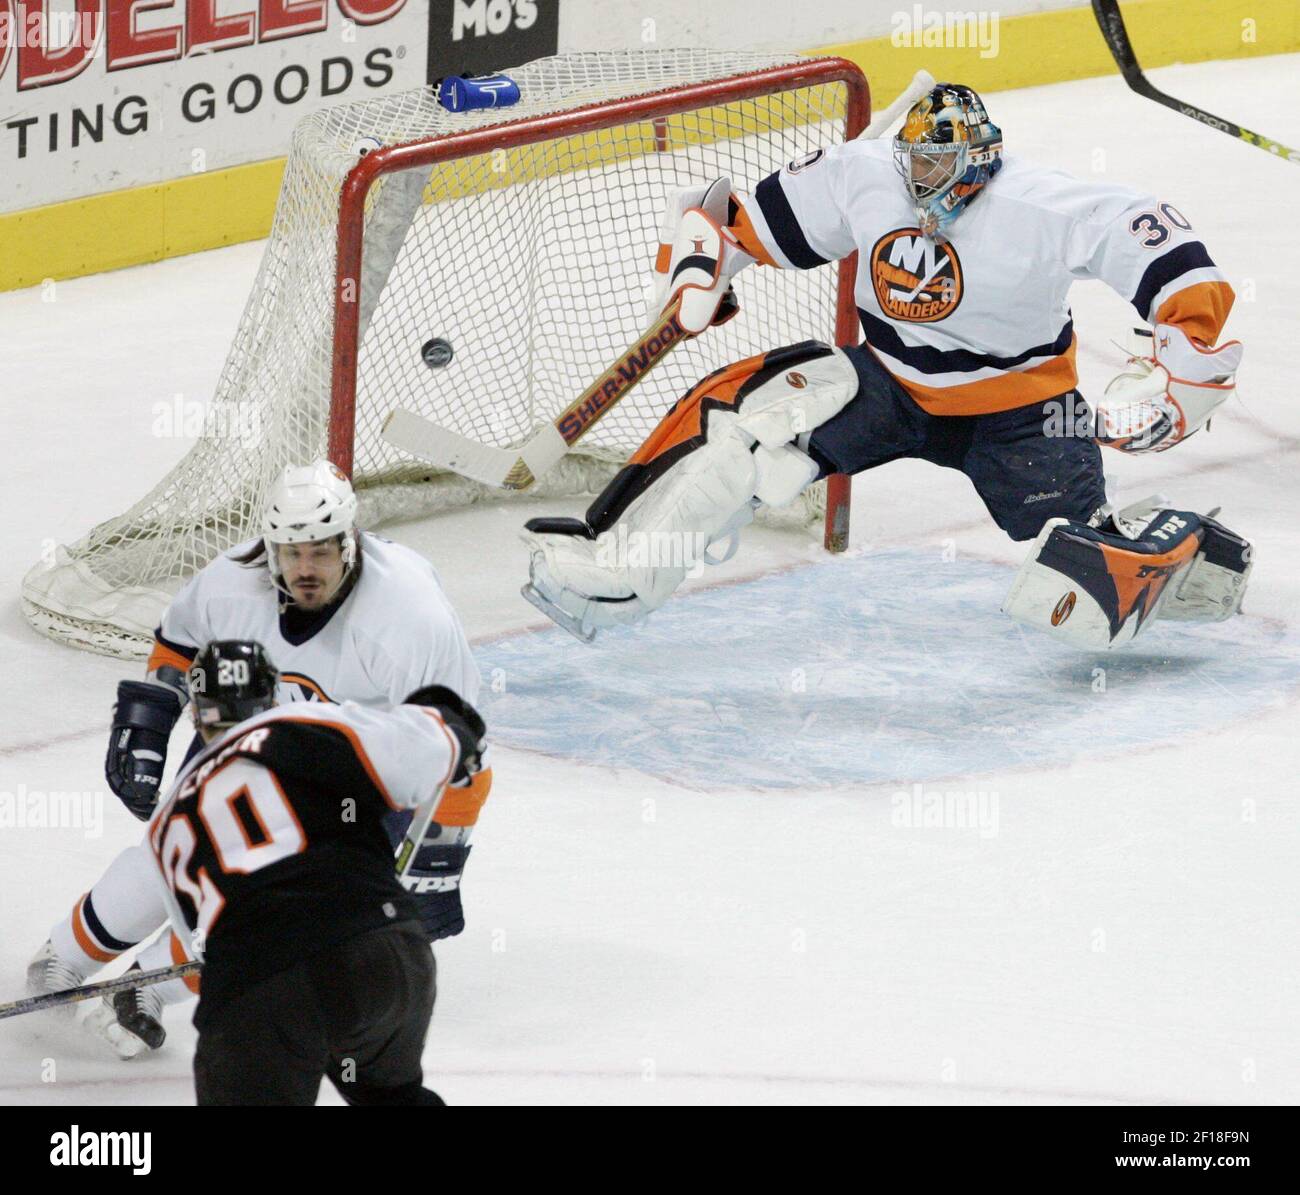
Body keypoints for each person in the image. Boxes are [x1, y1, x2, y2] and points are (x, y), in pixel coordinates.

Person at [520, 83, 1252, 649]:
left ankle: (1188, 551)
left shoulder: (1041, 205)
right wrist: (703, 270)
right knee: (736, 415)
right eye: (914, 160)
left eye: (938, 162)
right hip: (887, 385)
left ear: (981, 159)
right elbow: (732, 220)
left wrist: (1190, 348)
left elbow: (1164, 243)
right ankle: (615, 562)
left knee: (1084, 587)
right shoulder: (866, 174)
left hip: (1021, 413)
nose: (921, 177)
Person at [27, 460, 490, 1057]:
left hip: (361, 774)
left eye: (320, 551)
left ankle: (147, 990)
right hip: (251, 737)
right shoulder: (230, 582)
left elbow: (460, 743)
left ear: (351, 544)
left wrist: (440, 858)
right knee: (180, 845)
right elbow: (178, 644)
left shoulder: (408, 616)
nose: (304, 569)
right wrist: (148, 721)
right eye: (290, 551)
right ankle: (63, 959)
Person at [149, 639, 486, 1105]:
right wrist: (452, 726)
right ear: (271, 696)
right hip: (386, 950)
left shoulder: (165, 823)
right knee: (393, 1096)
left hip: (264, 985)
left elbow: (201, 945)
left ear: (196, 713)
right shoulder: (307, 722)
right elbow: (426, 747)